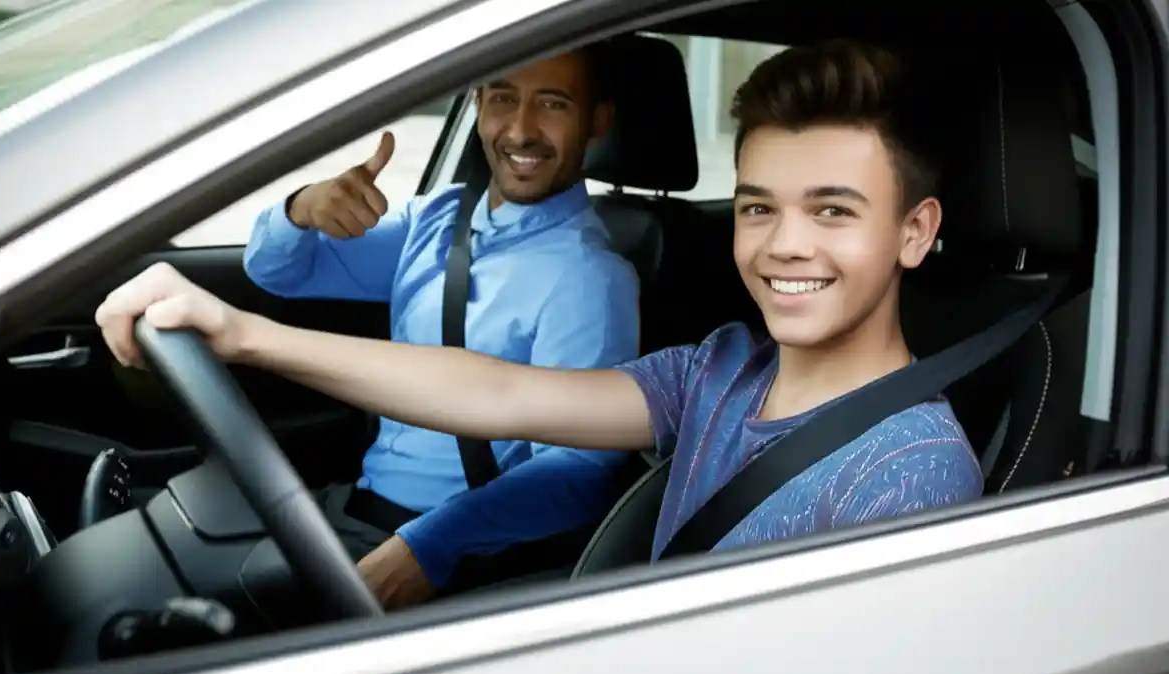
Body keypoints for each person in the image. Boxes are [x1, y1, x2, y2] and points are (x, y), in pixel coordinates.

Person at [96, 38, 982, 603]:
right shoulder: (717, 368)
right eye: (757, 209)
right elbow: (501, 392)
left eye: (832, 212)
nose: (785, 247)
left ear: (914, 232)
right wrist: (243, 333)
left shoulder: (911, 475)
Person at [236, 43, 640, 608]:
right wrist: (303, 208)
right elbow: (277, 270)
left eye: (553, 104)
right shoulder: (438, 218)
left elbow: (582, 466)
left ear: (596, 122)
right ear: (478, 104)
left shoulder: (592, 278)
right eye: (502, 97)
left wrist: (434, 546)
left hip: (450, 552)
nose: (521, 130)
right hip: (356, 506)